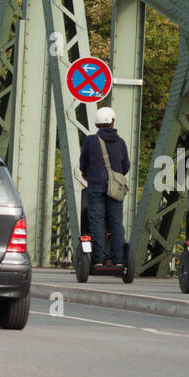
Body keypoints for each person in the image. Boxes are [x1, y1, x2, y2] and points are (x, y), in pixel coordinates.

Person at [78, 107, 130, 265]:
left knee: (97, 222)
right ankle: (119, 260)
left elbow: (83, 163)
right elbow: (125, 166)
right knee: (116, 222)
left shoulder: (90, 140)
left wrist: (86, 174)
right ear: (112, 121)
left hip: (96, 186)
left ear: (97, 123)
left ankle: (98, 259)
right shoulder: (120, 142)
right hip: (114, 189)